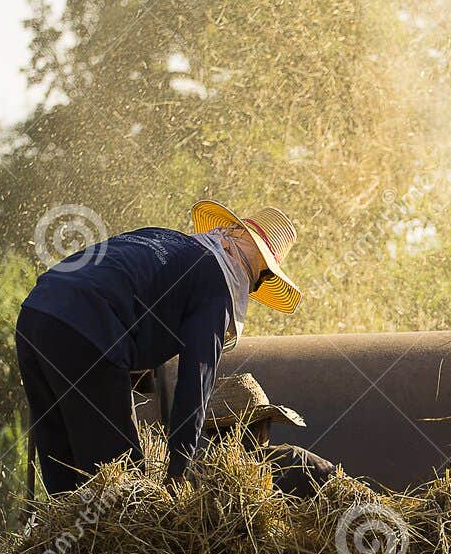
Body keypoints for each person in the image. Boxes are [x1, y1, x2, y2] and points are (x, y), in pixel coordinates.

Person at [16, 201, 302, 494]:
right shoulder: (216, 279)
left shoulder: (167, 240)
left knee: (62, 464)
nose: (255, 285)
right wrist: (180, 471)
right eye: (263, 276)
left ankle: (61, 535)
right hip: (88, 328)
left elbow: (123, 287)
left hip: (36, 312)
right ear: (253, 257)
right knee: (119, 483)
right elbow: (195, 383)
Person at [203, 372, 337, 496]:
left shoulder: (200, 480)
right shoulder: (296, 460)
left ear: (212, 437)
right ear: (262, 432)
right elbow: (350, 494)